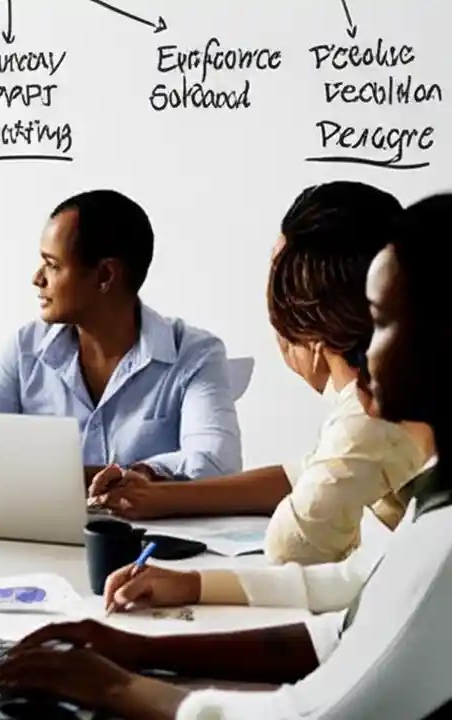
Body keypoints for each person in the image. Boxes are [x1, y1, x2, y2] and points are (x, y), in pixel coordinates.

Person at [0, 193, 452, 720]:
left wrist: (125, 691)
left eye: (381, 322)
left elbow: (312, 715)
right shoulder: (431, 504)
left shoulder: (444, 544)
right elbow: (347, 610)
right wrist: (145, 647)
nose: (359, 351)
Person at [88, 182, 431, 565]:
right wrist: (159, 496)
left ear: (311, 328)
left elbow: (292, 546)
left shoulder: (369, 419)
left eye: (280, 277)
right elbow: (307, 473)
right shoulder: (371, 410)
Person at [0, 189, 240, 481]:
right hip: (45, 526)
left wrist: (141, 475)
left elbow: (217, 463)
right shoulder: (26, 348)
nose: (37, 278)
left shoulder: (194, 354)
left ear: (106, 275)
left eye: (53, 265)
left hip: (150, 527)